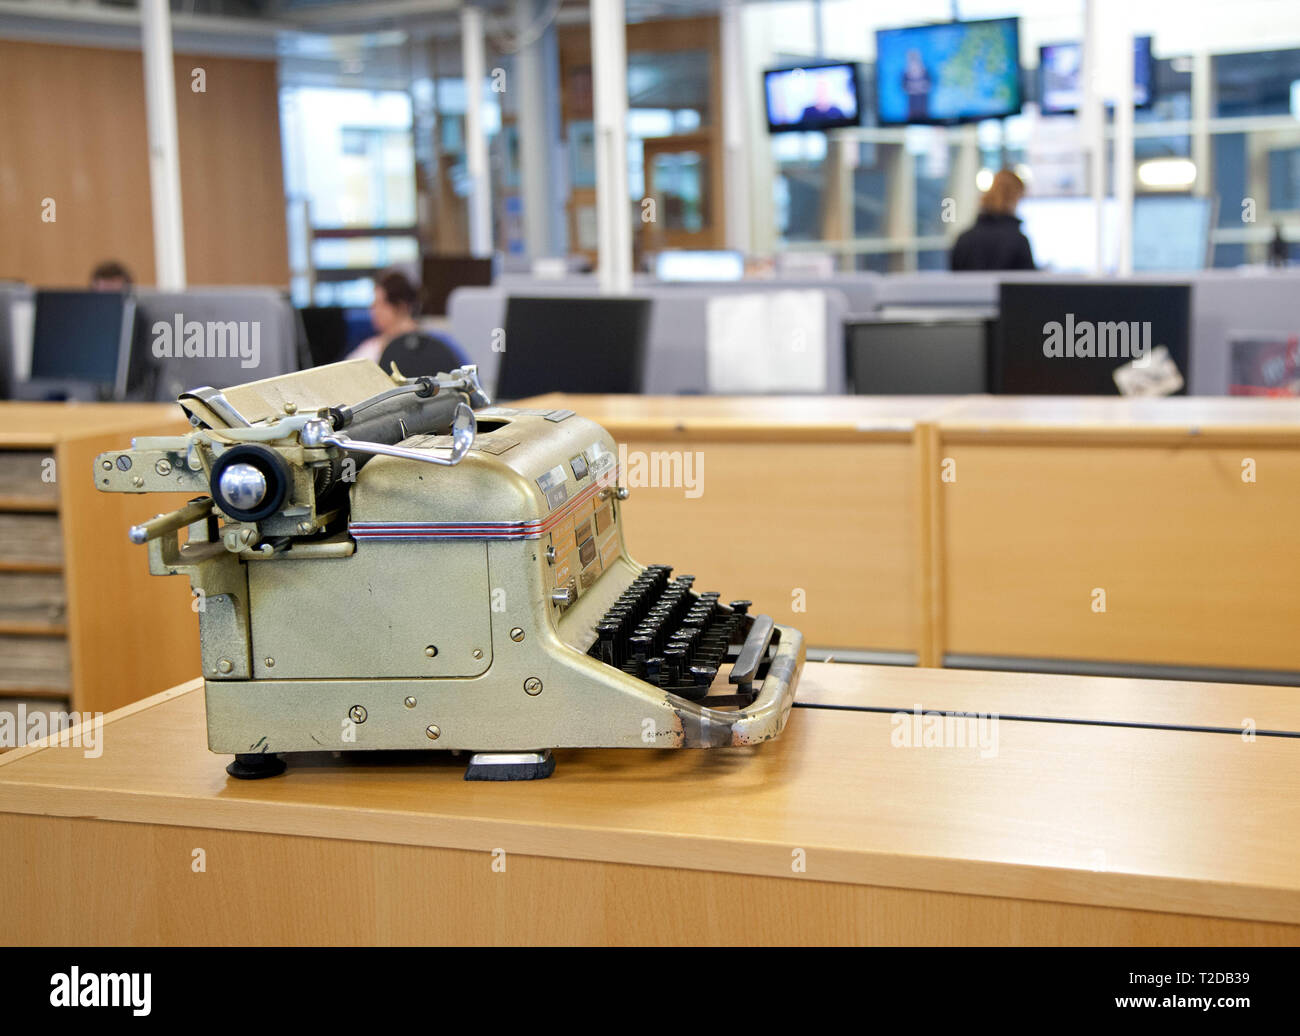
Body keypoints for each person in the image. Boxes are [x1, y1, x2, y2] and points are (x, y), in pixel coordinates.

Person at [949, 169, 1036, 272]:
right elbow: (1027, 284)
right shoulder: (1018, 241)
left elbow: (955, 283)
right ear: (1015, 198)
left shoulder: (965, 239)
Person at [347, 269, 420, 363]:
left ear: (401, 307)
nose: (373, 312)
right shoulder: (370, 350)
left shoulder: (432, 347)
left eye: (379, 305)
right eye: (373, 306)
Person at [902, 49, 932, 122]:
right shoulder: (906, 74)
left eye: (915, 58)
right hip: (912, 109)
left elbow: (928, 86)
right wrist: (919, 87)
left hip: (923, 108)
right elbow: (905, 88)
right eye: (911, 58)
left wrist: (914, 87)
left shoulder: (925, 72)